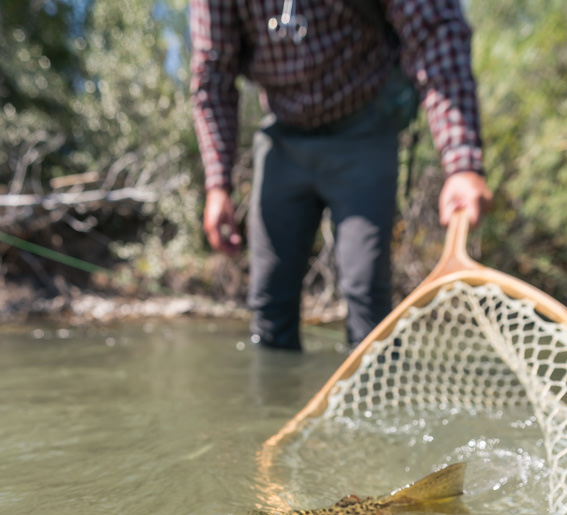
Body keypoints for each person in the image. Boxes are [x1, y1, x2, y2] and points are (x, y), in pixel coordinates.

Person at [190, 0, 493, 350]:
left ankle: (375, 393)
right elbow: (212, 76)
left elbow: (435, 31)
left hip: (364, 131)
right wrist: (218, 185)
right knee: (268, 302)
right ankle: (270, 401)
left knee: (366, 292)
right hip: (283, 139)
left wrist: (461, 163)